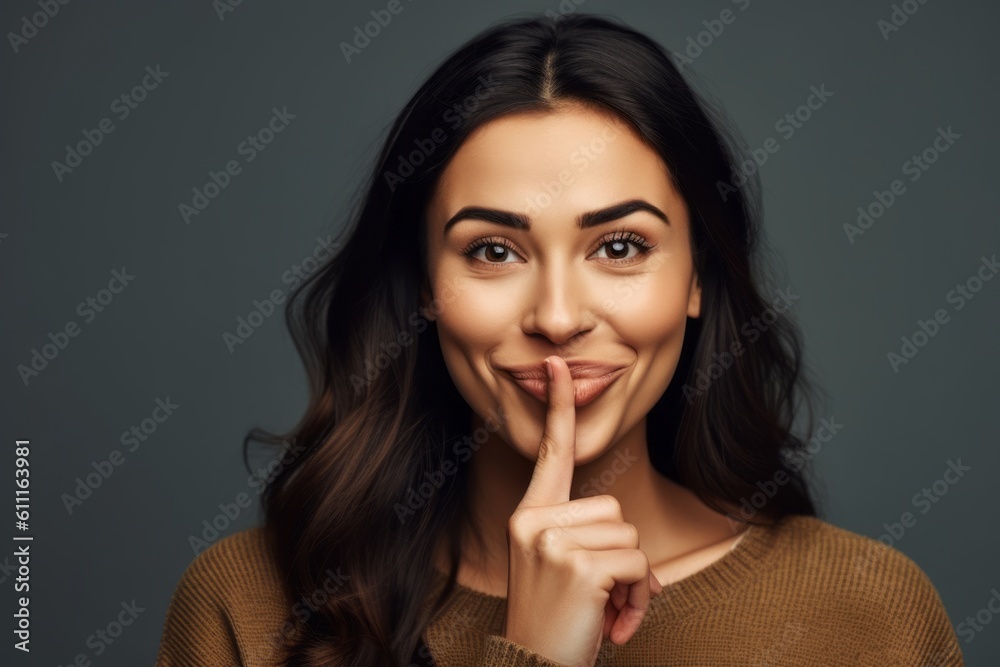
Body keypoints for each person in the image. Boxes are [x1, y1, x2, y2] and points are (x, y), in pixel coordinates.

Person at [155, 12, 964, 667]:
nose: (556, 315)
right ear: (426, 290)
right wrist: (534, 654)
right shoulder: (252, 609)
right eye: (493, 250)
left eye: (620, 247)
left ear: (696, 281)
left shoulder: (863, 614)